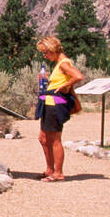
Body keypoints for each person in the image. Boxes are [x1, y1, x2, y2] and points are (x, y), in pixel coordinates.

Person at [35, 35, 83, 181]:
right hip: (48, 103)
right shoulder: (59, 64)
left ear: (52, 49)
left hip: (54, 105)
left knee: (54, 139)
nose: (44, 55)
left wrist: (65, 86)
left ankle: (58, 173)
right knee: (43, 138)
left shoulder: (63, 63)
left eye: (45, 52)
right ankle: (50, 170)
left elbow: (78, 76)